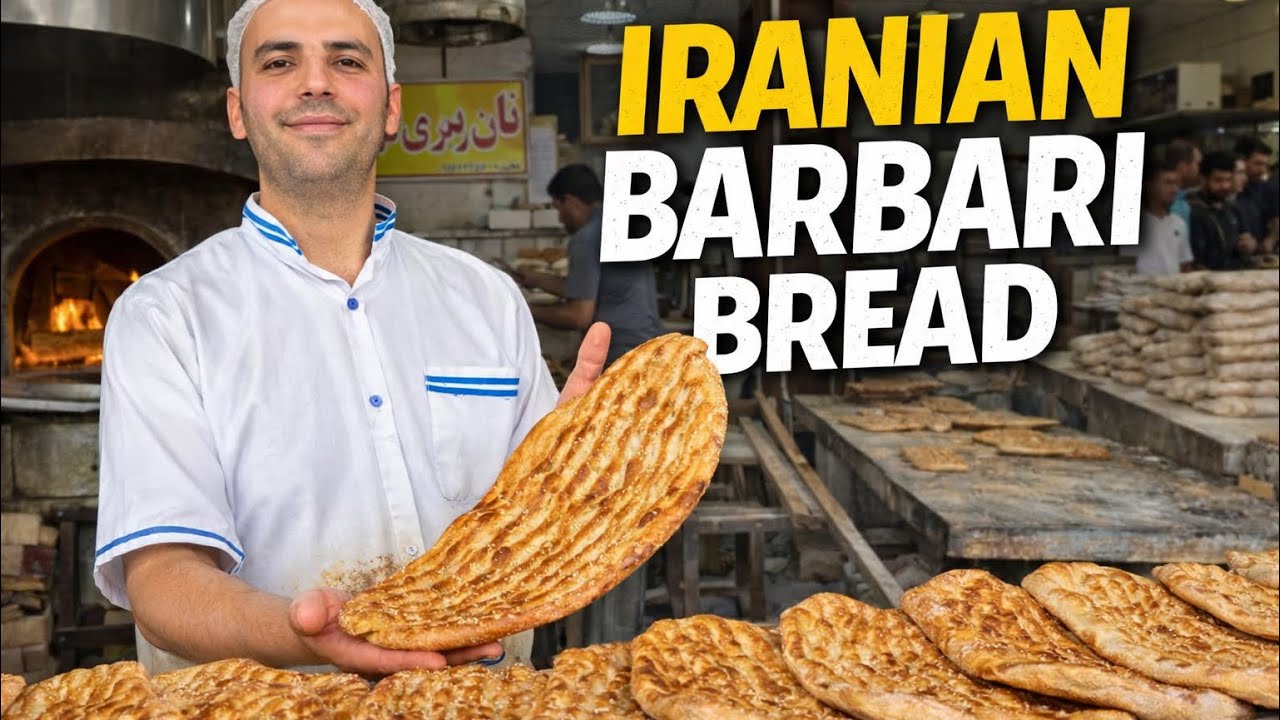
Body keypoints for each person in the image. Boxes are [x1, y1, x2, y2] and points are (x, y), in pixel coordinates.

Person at [93, 0, 610, 677]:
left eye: (347, 60)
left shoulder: (487, 300)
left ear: (391, 108)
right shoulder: (164, 316)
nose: (316, 82)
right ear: (237, 111)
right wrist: (310, 634)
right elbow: (162, 579)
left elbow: (538, 531)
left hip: (481, 698)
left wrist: (587, 480)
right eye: (280, 62)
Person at [516, 164, 665, 369]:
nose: (560, 218)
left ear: (571, 201)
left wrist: (523, 310)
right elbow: (594, 289)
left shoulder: (585, 239)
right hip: (652, 346)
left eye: (559, 209)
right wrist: (536, 279)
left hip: (621, 354)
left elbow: (578, 316)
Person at [1122, 154, 1192, 275]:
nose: (1174, 189)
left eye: (1176, 183)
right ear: (1149, 186)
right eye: (1168, 183)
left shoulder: (1179, 223)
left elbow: (1184, 264)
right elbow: (1123, 267)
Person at [1187, 151, 1256, 270]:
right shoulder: (1191, 211)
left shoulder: (1233, 208)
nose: (1224, 186)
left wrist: (1250, 245)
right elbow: (1195, 262)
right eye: (1218, 180)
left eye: (1228, 180)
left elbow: (1247, 238)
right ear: (1203, 179)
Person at [1233, 136, 1279, 254]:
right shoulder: (1226, 191)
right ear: (1242, 160)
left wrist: (1270, 241)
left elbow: (1276, 220)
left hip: (1258, 256)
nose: (1262, 170)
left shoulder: (1268, 188)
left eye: (1265, 165)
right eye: (1258, 163)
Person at [1165, 138, 1201, 231]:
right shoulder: (1167, 204)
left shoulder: (1184, 198)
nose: (1199, 169)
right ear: (1183, 167)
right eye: (1197, 164)